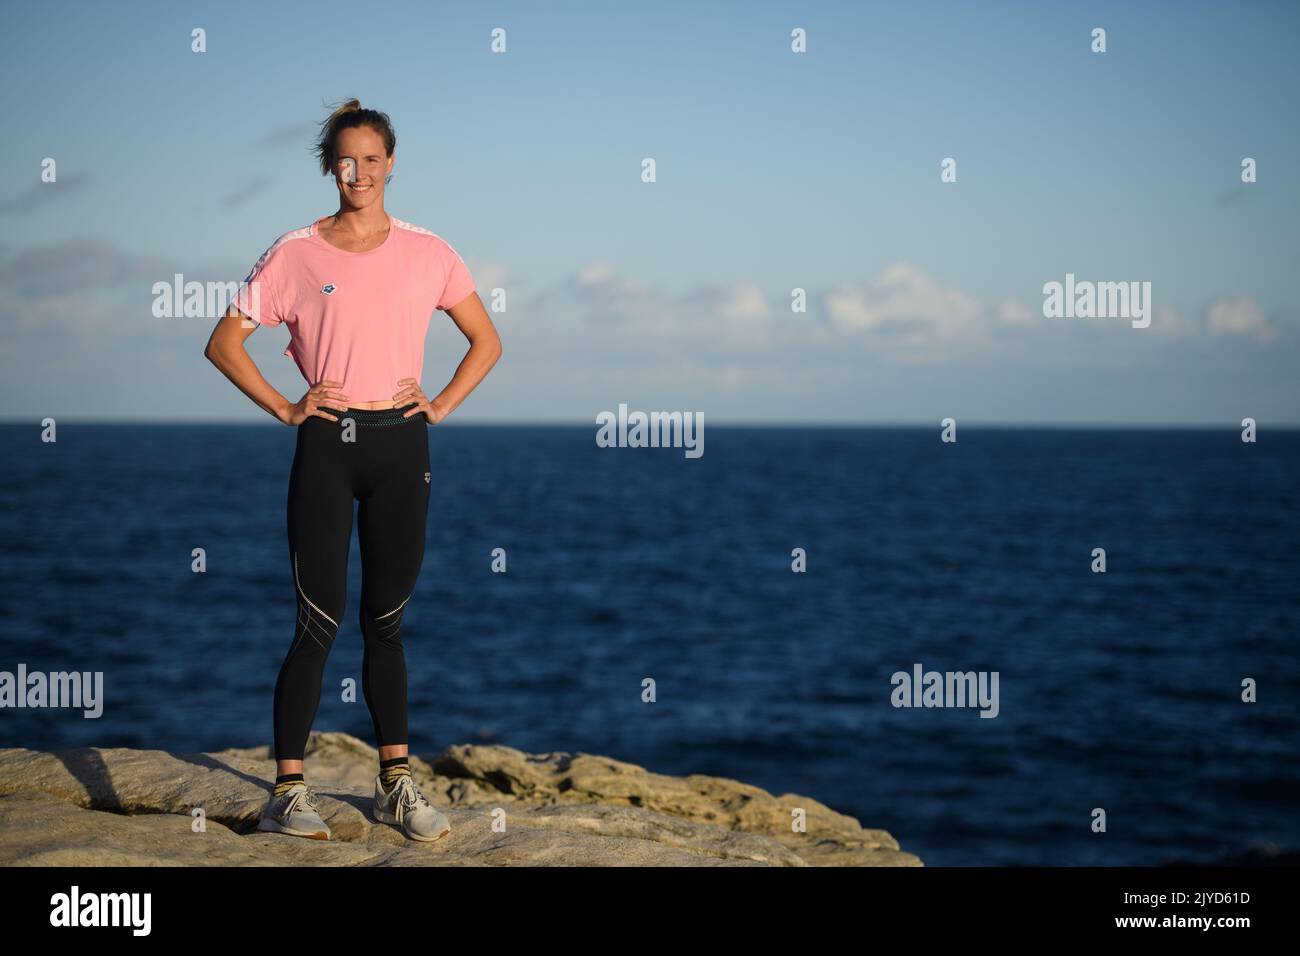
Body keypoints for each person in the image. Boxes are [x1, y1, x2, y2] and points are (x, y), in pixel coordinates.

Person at [203, 99, 502, 842]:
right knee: (318, 621)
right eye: (347, 159)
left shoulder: (429, 251)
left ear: (391, 163)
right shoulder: (295, 253)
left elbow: (486, 341)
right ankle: (287, 794)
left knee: (388, 623)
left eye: (373, 159)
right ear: (329, 166)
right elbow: (224, 343)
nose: (360, 172)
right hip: (326, 448)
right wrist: (284, 406)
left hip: (403, 446)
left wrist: (438, 404)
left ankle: (396, 785)